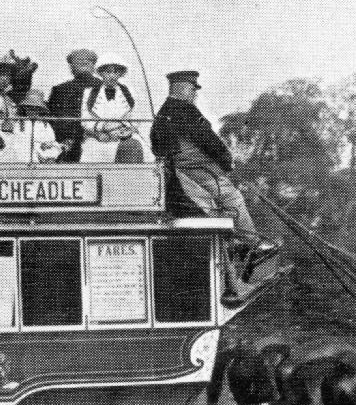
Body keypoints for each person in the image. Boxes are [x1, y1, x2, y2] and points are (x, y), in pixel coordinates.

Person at [150, 70, 278, 305]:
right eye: (192, 89)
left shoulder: (160, 116)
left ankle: (238, 254)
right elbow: (208, 140)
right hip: (198, 169)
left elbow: (157, 148)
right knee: (234, 199)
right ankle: (254, 245)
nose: (194, 94)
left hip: (175, 176)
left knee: (218, 212)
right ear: (184, 88)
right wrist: (227, 162)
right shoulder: (186, 111)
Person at [79, 54, 147, 163]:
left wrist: (123, 129)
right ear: (101, 73)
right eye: (108, 72)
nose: (112, 76)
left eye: (115, 72)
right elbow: (85, 119)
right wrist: (103, 128)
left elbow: (137, 117)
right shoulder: (90, 92)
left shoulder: (129, 92)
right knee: (91, 152)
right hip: (98, 138)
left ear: (120, 73)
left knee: (141, 148)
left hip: (123, 134)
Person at [47, 49, 100, 162]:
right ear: (71, 67)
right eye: (78, 60)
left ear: (93, 66)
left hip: (98, 142)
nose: (83, 62)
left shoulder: (104, 88)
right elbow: (54, 120)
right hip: (69, 144)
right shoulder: (59, 90)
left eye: (88, 60)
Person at [11, 90, 62, 163]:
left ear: (40, 109)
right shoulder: (20, 123)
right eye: (29, 107)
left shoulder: (44, 124)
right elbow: (19, 143)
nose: (32, 110)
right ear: (25, 108)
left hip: (44, 155)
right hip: (26, 156)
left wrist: (47, 144)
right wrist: (36, 149)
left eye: (36, 108)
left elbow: (51, 140)